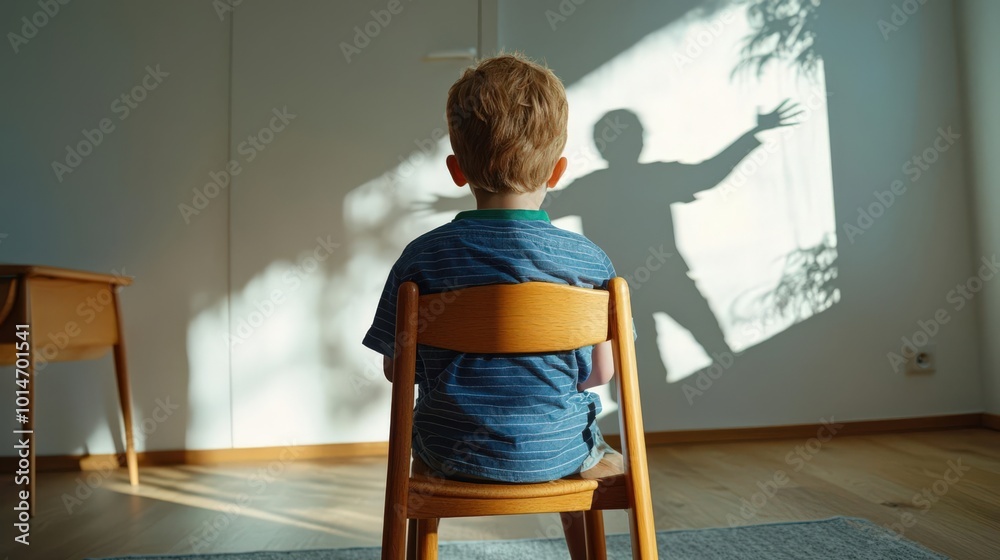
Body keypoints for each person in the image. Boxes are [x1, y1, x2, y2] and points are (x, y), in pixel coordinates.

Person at [362, 53, 621, 558]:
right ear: (558, 171)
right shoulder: (589, 261)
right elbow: (601, 374)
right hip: (559, 453)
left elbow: (398, 370)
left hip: (449, 453)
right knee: (580, 429)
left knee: (429, 428)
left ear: (456, 171)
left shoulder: (422, 258)